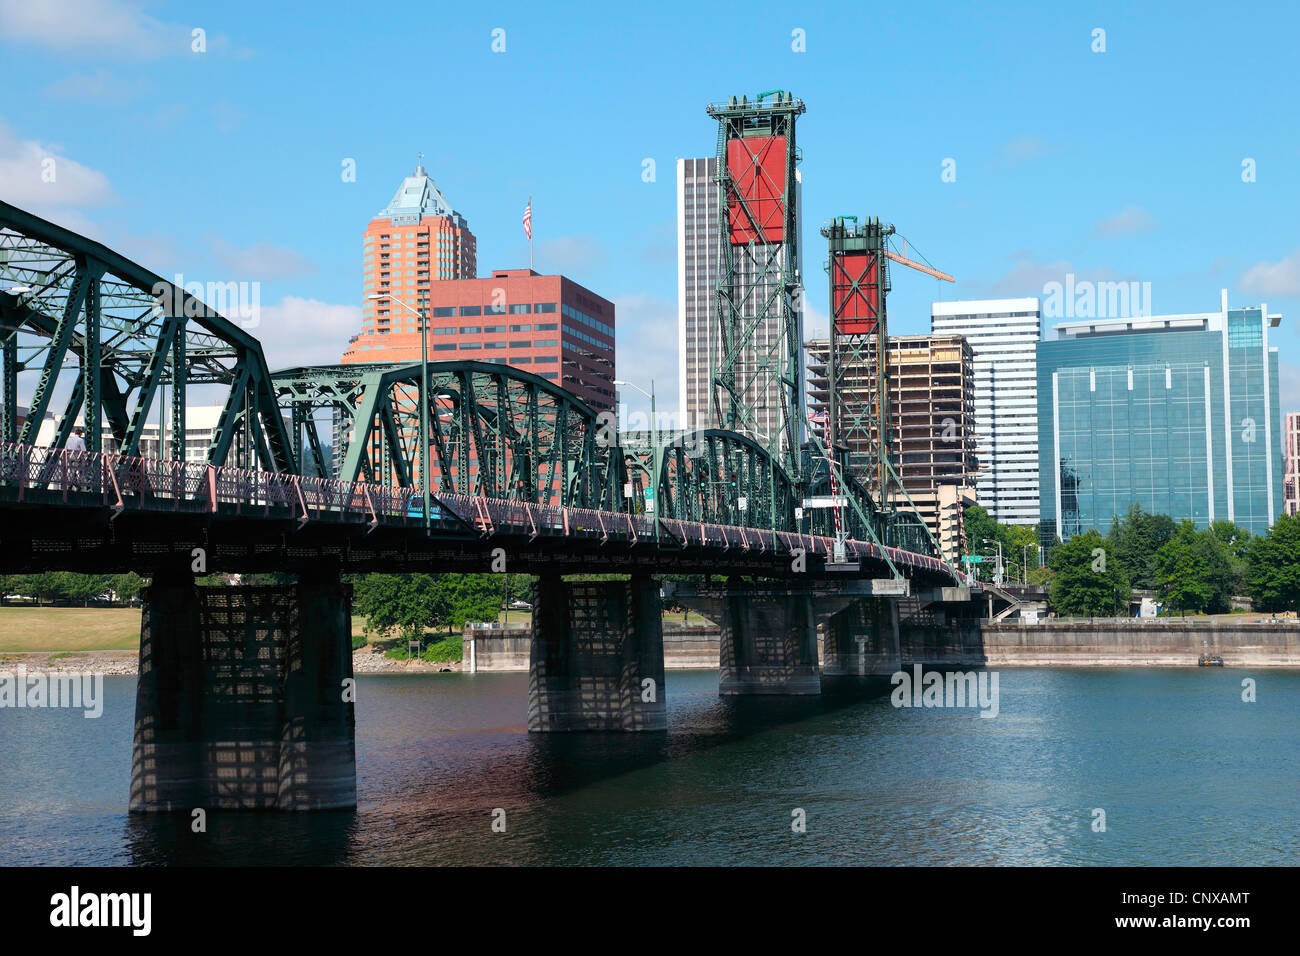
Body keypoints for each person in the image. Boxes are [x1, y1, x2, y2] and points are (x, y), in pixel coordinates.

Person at [65, 426, 87, 490]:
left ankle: (74, 484)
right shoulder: (80, 440)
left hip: (69, 455)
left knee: (71, 470)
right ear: (80, 434)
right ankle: (72, 485)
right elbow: (83, 450)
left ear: (75, 433)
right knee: (75, 470)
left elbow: (66, 448)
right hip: (76, 456)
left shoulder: (68, 439)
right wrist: (86, 458)